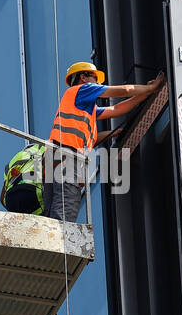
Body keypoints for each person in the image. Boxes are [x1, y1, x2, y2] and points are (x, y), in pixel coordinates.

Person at [43, 60, 164, 222]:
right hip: (67, 157)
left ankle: (51, 239)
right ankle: (59, 239)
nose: (98, 83)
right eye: (95, 78)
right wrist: (150, 87)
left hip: (55, 157)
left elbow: (117, 109)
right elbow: (124, 91)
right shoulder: (83, 89)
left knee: (52, 207)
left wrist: (145, 94)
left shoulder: (83, 107)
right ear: (83, 77)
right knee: (67, 203)